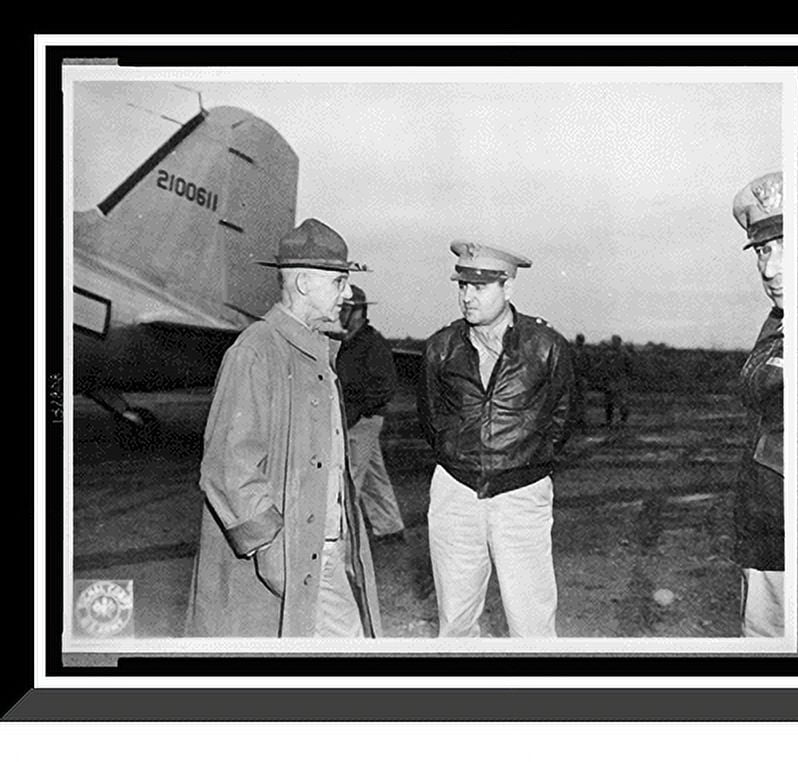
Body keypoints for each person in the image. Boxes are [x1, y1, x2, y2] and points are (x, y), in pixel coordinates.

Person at [185, 218, 381, 638]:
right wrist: (272, 548)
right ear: (306, 283)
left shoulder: (316, 351)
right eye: (340, 282)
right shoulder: (256, 350)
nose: (347, 294)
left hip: (323, 552)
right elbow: (228, 466)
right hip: (290, 556)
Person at [418, 240, 573, 637]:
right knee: (455, 620)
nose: (467, 297)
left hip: (520, 495)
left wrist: (524, 463)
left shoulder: (546, 347)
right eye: (462, 286)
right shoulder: (441, 347)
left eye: (480, 287)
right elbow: (431, 418)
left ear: (508, 288)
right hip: (456, 492)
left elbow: (564, 418)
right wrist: (459, 459)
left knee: (531, 621)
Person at [732, 171, 786, 637]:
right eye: (764, 250)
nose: (769, 270)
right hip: (770, 535)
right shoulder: (778, 325)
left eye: (788, 245)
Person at [336, 284, 407, 543]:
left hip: (362, 421)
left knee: (349, 479)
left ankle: (340, 538)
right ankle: (390, 529)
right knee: (374, 477)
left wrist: (357, 410)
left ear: (359, 311)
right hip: (354, 418)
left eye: (345, 309)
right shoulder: (349, 343)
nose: (340, 314)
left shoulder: (372, 343)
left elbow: (385, 387)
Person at [603, 334, 632, 426]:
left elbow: (629, 366)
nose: (613, 343)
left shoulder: (624, 353)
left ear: (619, 342)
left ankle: (623, 420)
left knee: (622, 401)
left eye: (615, 341)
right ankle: (608, 421)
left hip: (621, 380)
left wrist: (625, 376)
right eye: (612, 341)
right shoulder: (608, 353)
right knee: (609, 400)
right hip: (610, 379)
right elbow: (604, 365)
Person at [570, 333, 592, 432]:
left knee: (582, 400)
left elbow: (590, 365)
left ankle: (581, 420)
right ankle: (574, 420)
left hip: (581, 377)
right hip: (574, 378)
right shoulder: (572, 352)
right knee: (574, 400)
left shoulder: (585, 352)